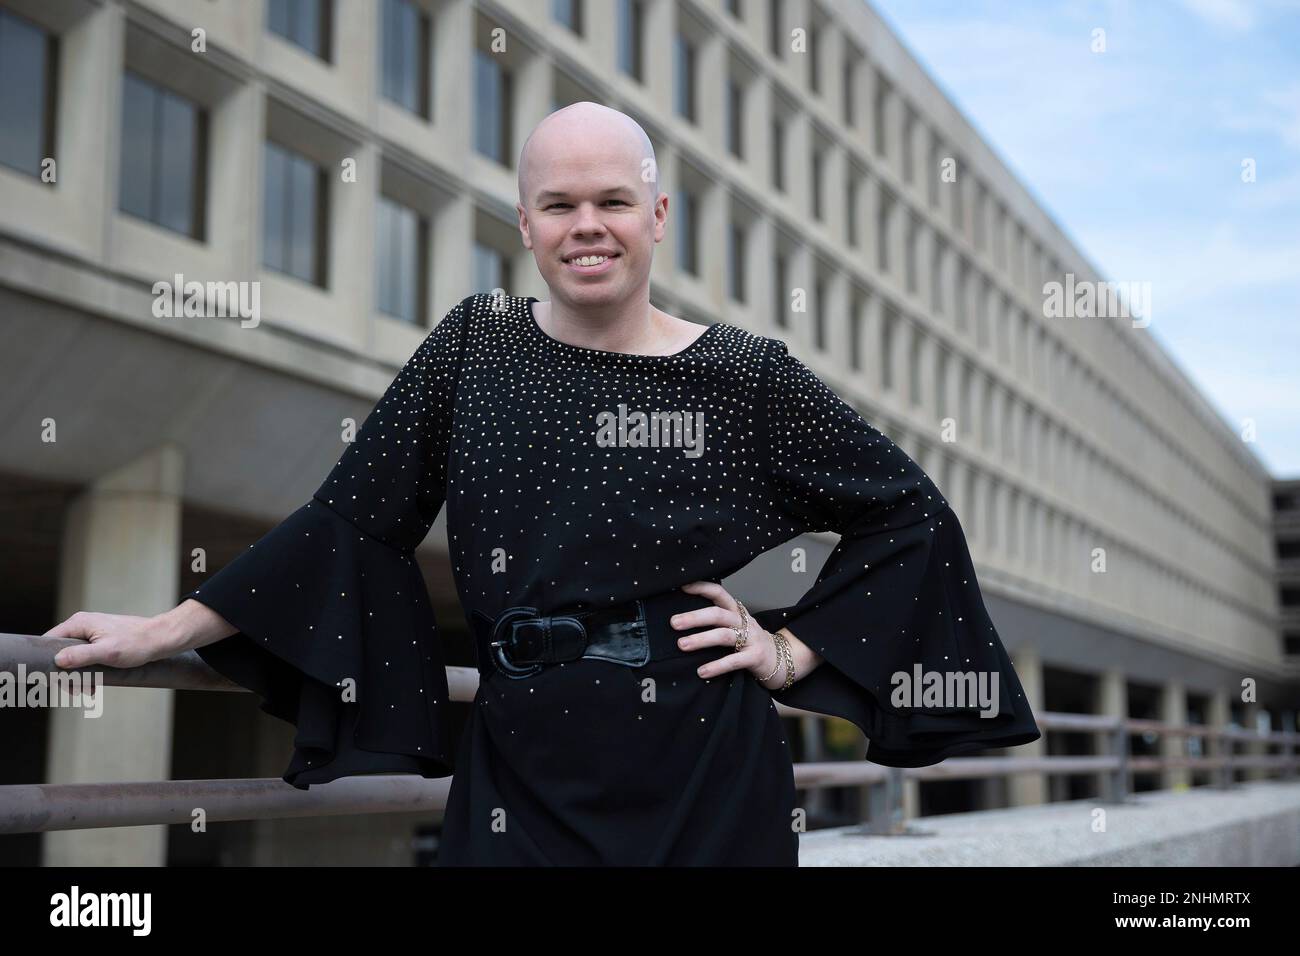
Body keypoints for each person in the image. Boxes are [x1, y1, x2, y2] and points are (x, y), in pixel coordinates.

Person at [44, 102, 1040, 866]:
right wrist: (163, 631)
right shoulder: (473, 345)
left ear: (657, 216)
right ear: (524, 221)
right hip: (518, 770)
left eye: (611, 201)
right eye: (560, 204)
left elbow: (909, 515)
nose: (587, 225)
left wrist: (787, 653)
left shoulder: (749, 375)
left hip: (706, 766)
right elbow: (351, 520)